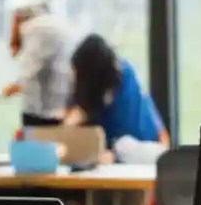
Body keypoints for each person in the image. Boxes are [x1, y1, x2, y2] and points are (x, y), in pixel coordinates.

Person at [65, 34, 169, 163]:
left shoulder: (125, 81)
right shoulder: (111, 78)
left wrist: (112, 154)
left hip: (142, 154)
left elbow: (125, 143)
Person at [0, 4, 76, 127]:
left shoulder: (34, 28)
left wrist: (3, 92)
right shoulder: (61, 26)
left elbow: (32, 71)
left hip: (41, 114)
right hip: (66, 109)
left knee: (36, 142)